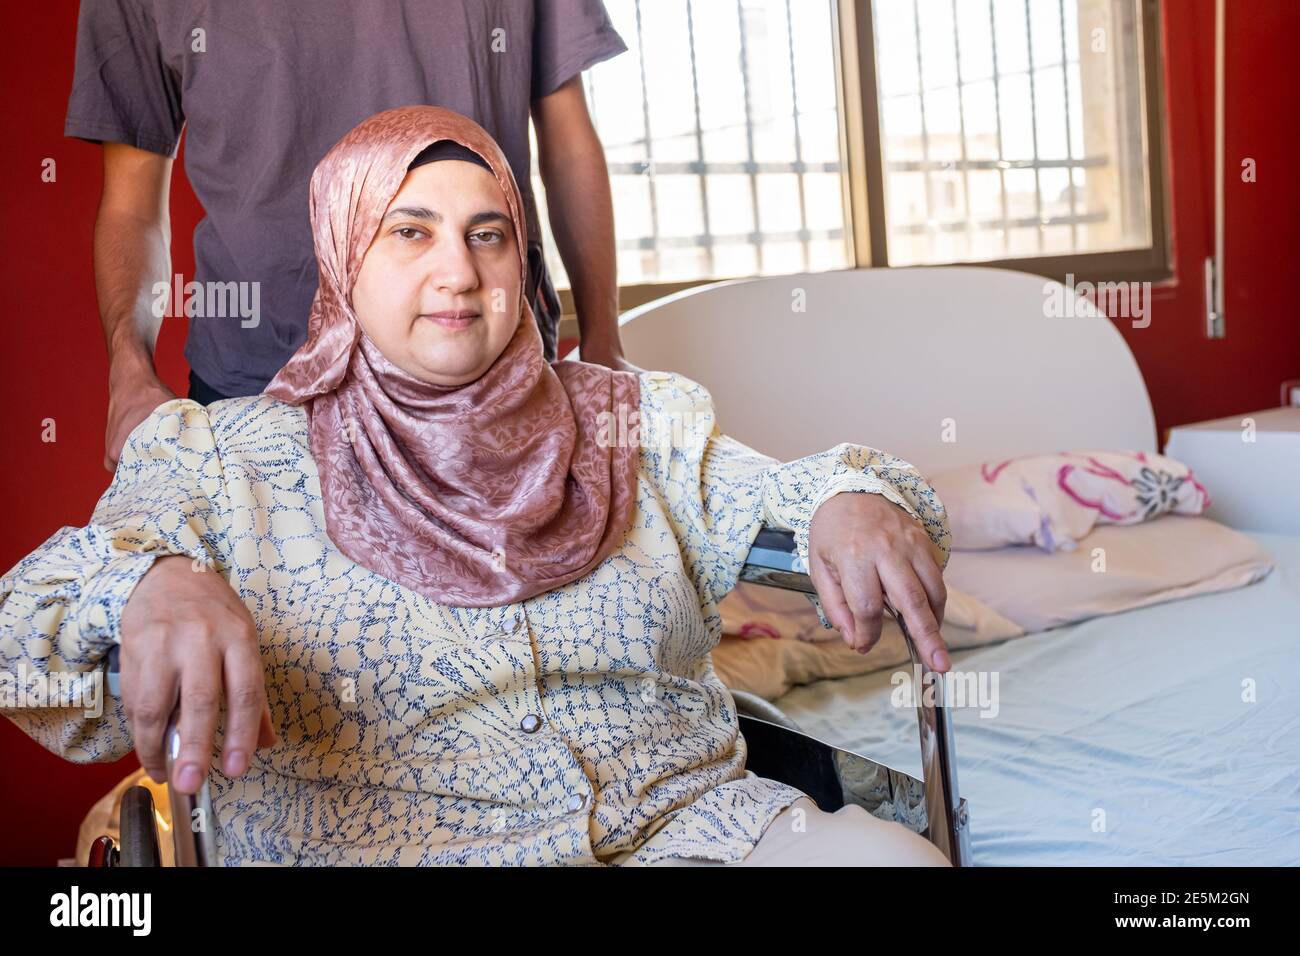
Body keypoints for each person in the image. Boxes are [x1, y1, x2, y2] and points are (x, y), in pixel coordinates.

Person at [1, 106, 953, 866]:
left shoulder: (636, 422)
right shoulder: (227, 459)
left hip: (690, 827)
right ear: (343, 257)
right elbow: (21, 636)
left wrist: (848, 497)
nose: (459, 271)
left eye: (488, 234)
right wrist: (149, 581)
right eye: (408, 232)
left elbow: (805, 494)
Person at [65, 0, 635, 472]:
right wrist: (130, 371)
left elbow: (567, 140)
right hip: (259, 386)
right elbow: (131, 205)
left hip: (490, 379)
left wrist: (605, 342)